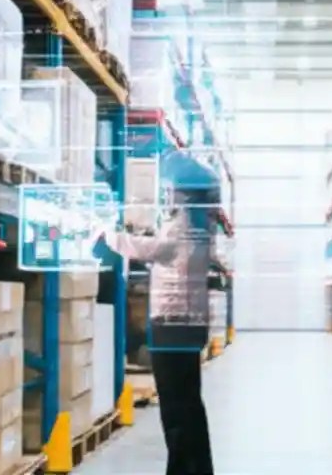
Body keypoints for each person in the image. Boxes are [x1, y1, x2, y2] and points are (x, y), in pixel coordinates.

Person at [99, 188, 215, 475]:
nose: (168, 195)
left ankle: (182, 469)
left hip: (173, 324)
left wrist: (109, 236)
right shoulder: (200, 224)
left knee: (175, 404)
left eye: (173, 190)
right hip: (187, 324)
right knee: (188, 402)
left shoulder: (184, 225)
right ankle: (196, 468)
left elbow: (151, 249)